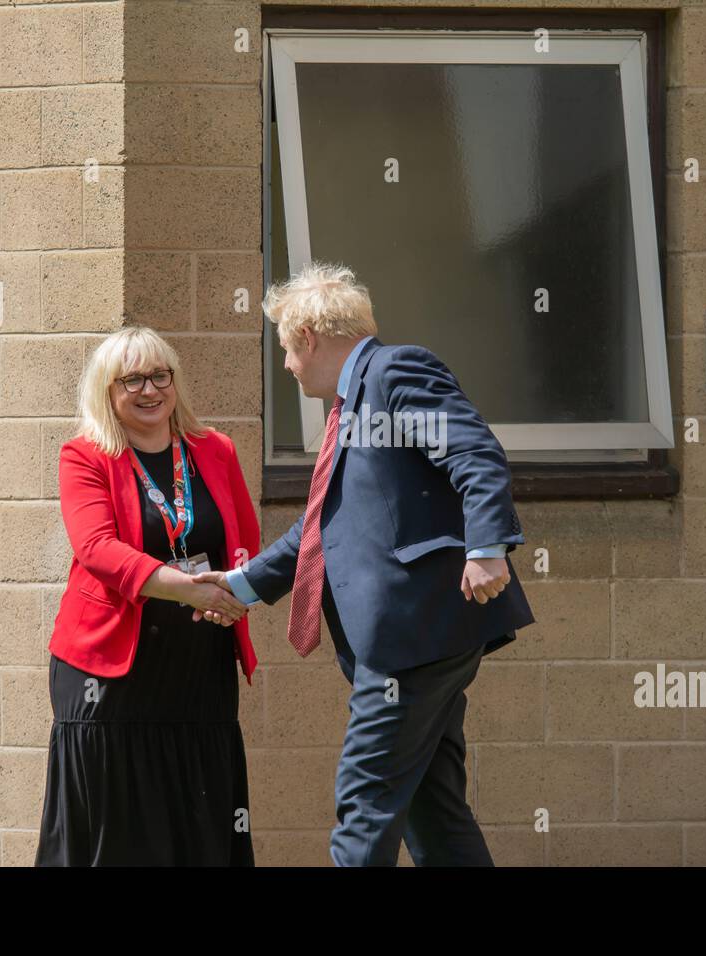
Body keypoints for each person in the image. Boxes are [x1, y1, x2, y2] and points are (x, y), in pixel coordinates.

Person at [197, 261, 534, 866]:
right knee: (433, 812)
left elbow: (476, 453)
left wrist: (486, 549)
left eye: (286, 350)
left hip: (413, 636)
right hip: (425, 636)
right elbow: (322, 524)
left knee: (365, 801)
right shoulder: (353, 404)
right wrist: (241, 586)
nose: (287, 365)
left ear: (308, 338)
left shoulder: (395, 371)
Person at [36, 325, 260, 866]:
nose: (149, 389)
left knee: (197, 817)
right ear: (105, 392)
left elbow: (243, 542)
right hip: (110, 673)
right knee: (116, 829)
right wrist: (186, 589)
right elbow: (97, 548)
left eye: (160, 375)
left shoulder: (216, 450)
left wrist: (237, 590)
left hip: (198, 665)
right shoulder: (85, 455)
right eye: (130, 379)